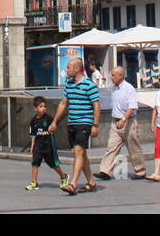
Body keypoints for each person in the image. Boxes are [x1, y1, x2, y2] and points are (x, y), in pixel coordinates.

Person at [49, 56, 100, 195]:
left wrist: (95, 125)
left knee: (78, 151)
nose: (66, 70)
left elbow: (96, 105)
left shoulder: (89, 84)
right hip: (72, 122)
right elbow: (63, 104)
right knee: (81, 153)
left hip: (84, 122)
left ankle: (73, 183)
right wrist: (54, 122)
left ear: (77, 69)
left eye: (69, 67)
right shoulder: (69, 83)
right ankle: (91, 181)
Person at [95, 66, 147, 181]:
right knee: (111, 147)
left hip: (128, 121)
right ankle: (105, 171)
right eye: (111, 75)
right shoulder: (114, 88)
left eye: (114, 75)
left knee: (133, 148)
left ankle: (140, 171)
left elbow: (132, 107)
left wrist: (123, 119)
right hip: (115, 121)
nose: (111, 77)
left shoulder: (129, 88)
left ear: (121, 76)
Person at [25, 96, 68, 191]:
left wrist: (52, 129)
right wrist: (32, 146)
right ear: (35, 108)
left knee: (53, 164)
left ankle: (63, 176)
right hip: (38, 146)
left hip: (48, 145)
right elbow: (33, 134)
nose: (43, 108)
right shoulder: (33, 121)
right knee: (35, 163)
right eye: (40, 106)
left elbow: (53, 128)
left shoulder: (48, 118)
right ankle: (34, 183)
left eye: (44, 106)